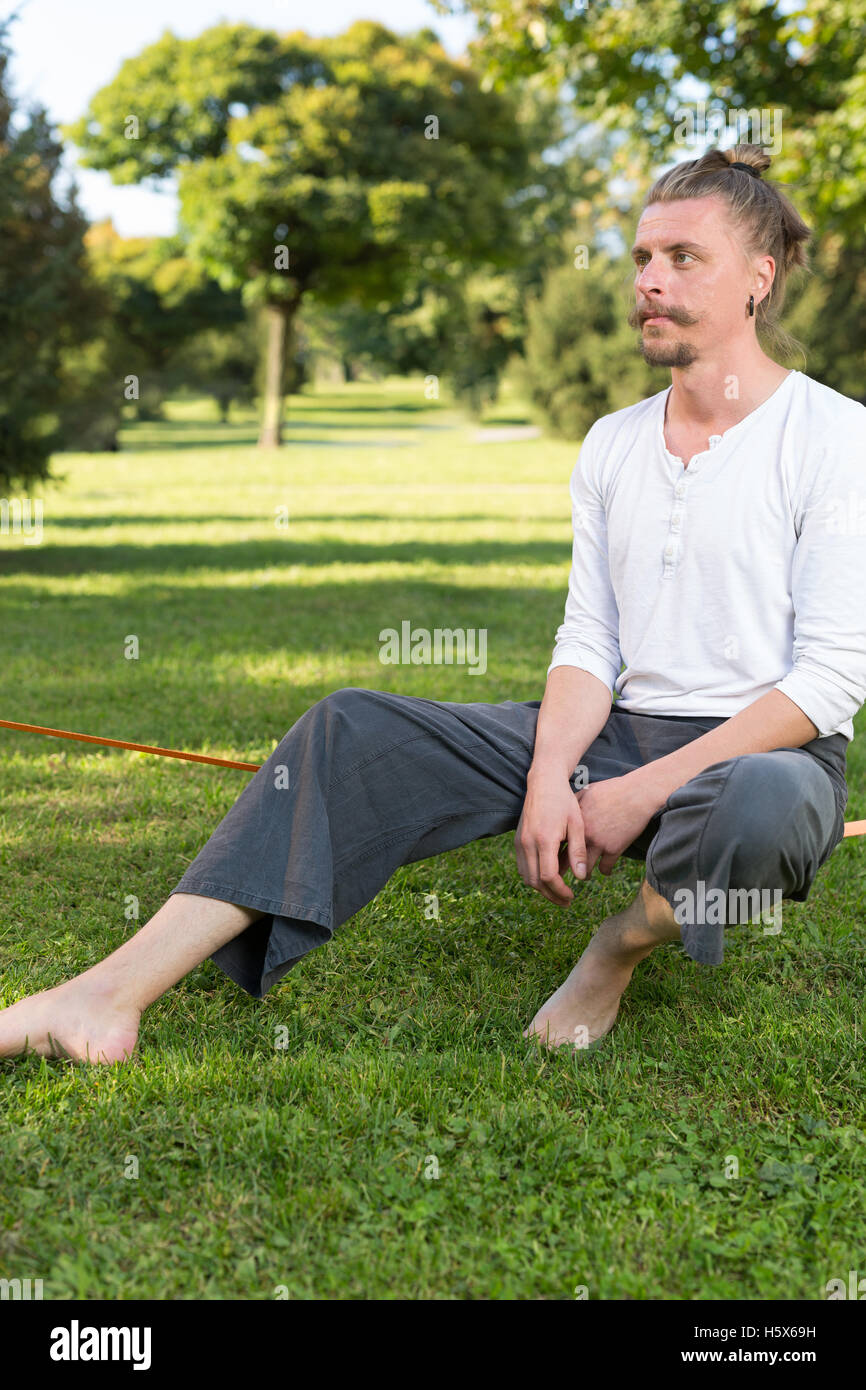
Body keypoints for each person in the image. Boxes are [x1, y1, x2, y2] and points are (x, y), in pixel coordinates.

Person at [2, 142, 864, 1066]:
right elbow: (592, 638)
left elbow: (829, 678)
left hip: (763, 754)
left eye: (682, 258)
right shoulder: (613, 444)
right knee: (351, 729)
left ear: (758, 278)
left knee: (766, 805)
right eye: (642, 258)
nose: (650, 280)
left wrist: (634, 797)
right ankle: (104, 996)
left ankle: (617, 948)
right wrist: (550, 778)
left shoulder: (833, 437)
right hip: (617, 735)